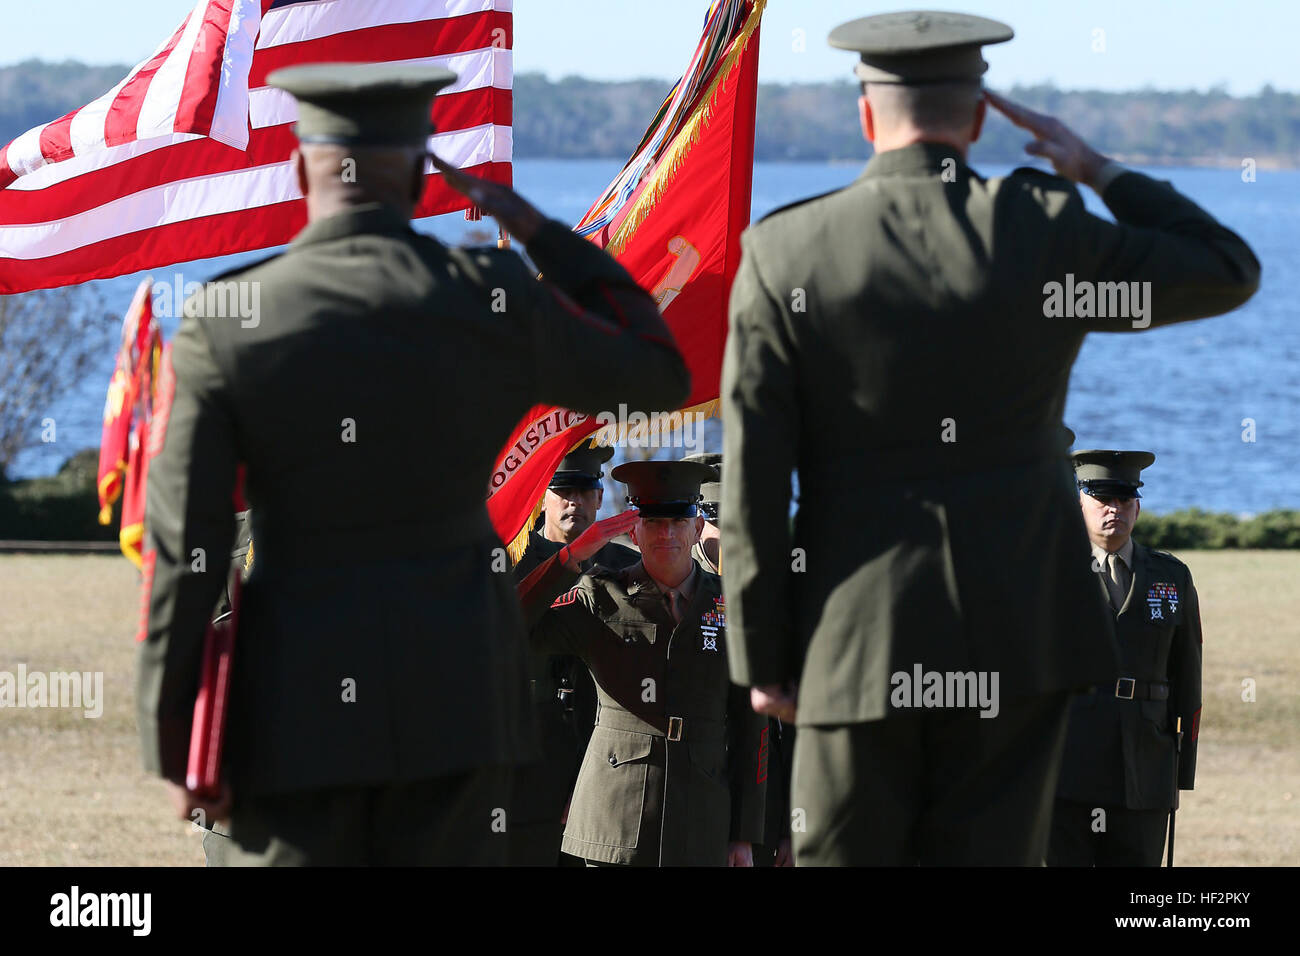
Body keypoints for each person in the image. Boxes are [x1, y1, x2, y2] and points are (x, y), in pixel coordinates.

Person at [720, 11, 1259, 865]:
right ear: (977, 120)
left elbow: (751, 484)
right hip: (1018, 641)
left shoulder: (786, 252)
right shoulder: (1041, 229)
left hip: (854, 641)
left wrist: (763, 654)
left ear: (867, 114)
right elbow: (1228, 268)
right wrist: (1097, 169)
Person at [136, 63, 689, 866]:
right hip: (457, 702)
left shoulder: (228, 320)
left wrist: (174, 735)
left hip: (291, 706)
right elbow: (657, 369)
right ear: (423, 171)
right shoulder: (486, 298)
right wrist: (536, 230)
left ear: (299, 169)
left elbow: (184, 546)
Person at [516, 459, 766, 866]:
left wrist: (743, 834)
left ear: (697, 529)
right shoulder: (599, 594)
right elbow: (511, 628)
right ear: (634, 529)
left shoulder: (733, 606)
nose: (666, 533)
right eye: (652, 521)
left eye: (678, 520)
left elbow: (750, 726)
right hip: (614, 819)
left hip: (702, 819)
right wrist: (571, 558)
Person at [1049, 450, 1202, 866]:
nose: (1113, 509)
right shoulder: (1050, 572)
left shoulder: (1171, 576)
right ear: (1079, 501)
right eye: (1101, 498)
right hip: (1067, 768)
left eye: (1123, 499)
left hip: (1145, 767)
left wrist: (1180, 769)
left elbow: (1187, 675)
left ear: (1138, 506)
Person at [506, 444, 637, 865]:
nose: (573, 502)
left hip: (605, 750)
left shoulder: (626, 567)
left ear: (600, 498)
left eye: (584, 490)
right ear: (541, 496)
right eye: (562, 490)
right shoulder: (512, 559)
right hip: (527, 755)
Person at [682, 451, 793, 867]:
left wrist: (791, 826)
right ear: (697, 524)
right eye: (720, 524)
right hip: (685, 801)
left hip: (764, 807)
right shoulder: (668, 589)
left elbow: (792, 728)